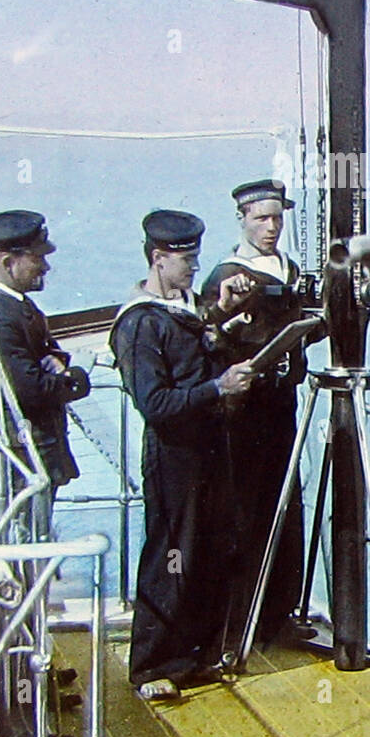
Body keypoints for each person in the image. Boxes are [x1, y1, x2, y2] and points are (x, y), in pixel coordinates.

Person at [110, 209, 254, 699]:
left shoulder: (179, 309)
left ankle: (194, 656)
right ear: (158, 259)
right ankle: (151, 666)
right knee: (171, 553)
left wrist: (218, 316)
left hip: (209, 450)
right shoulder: (140, 325)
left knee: (211, 549)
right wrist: (218, 387)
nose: (194, 268)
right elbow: (155, 404)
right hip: (174, 456)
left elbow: (194, 341)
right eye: (185, 260)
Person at [201, 179, 316, 650]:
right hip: (246, 411)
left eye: (277, 218)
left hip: (282, 405)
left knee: (285, 504)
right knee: (245, 508)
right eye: (261, 219)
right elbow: (209, 332)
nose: (271, 227)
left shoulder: (287, 269)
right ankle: (239, 618)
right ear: (243, 220)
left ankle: (279, 611)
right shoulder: (229, 275)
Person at [0, 210, 90, 522]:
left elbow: (49, 353)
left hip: (33, 458)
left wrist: (59, 362)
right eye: (37, 258)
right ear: (8, 262)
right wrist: (77, 377)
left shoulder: (17, 306)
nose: (45, 266)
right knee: (20, 556)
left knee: (34, 552)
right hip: (14, 468)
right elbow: (28, 390)